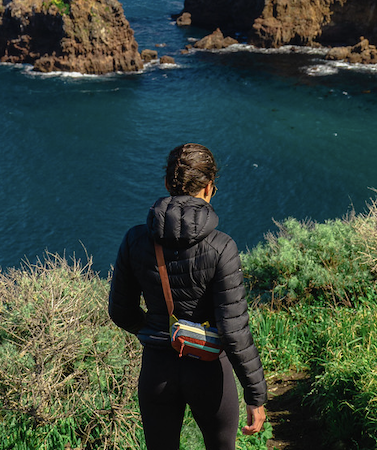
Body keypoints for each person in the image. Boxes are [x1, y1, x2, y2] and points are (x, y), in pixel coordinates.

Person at [108, 143, 267, 449]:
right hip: (208, 367)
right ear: (209, 188)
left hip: (157, 369)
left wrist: (155, 329)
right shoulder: (222, 246)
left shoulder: (135, 240)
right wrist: (255, 394)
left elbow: (121, 311)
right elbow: (234, 331)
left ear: (168, 185)